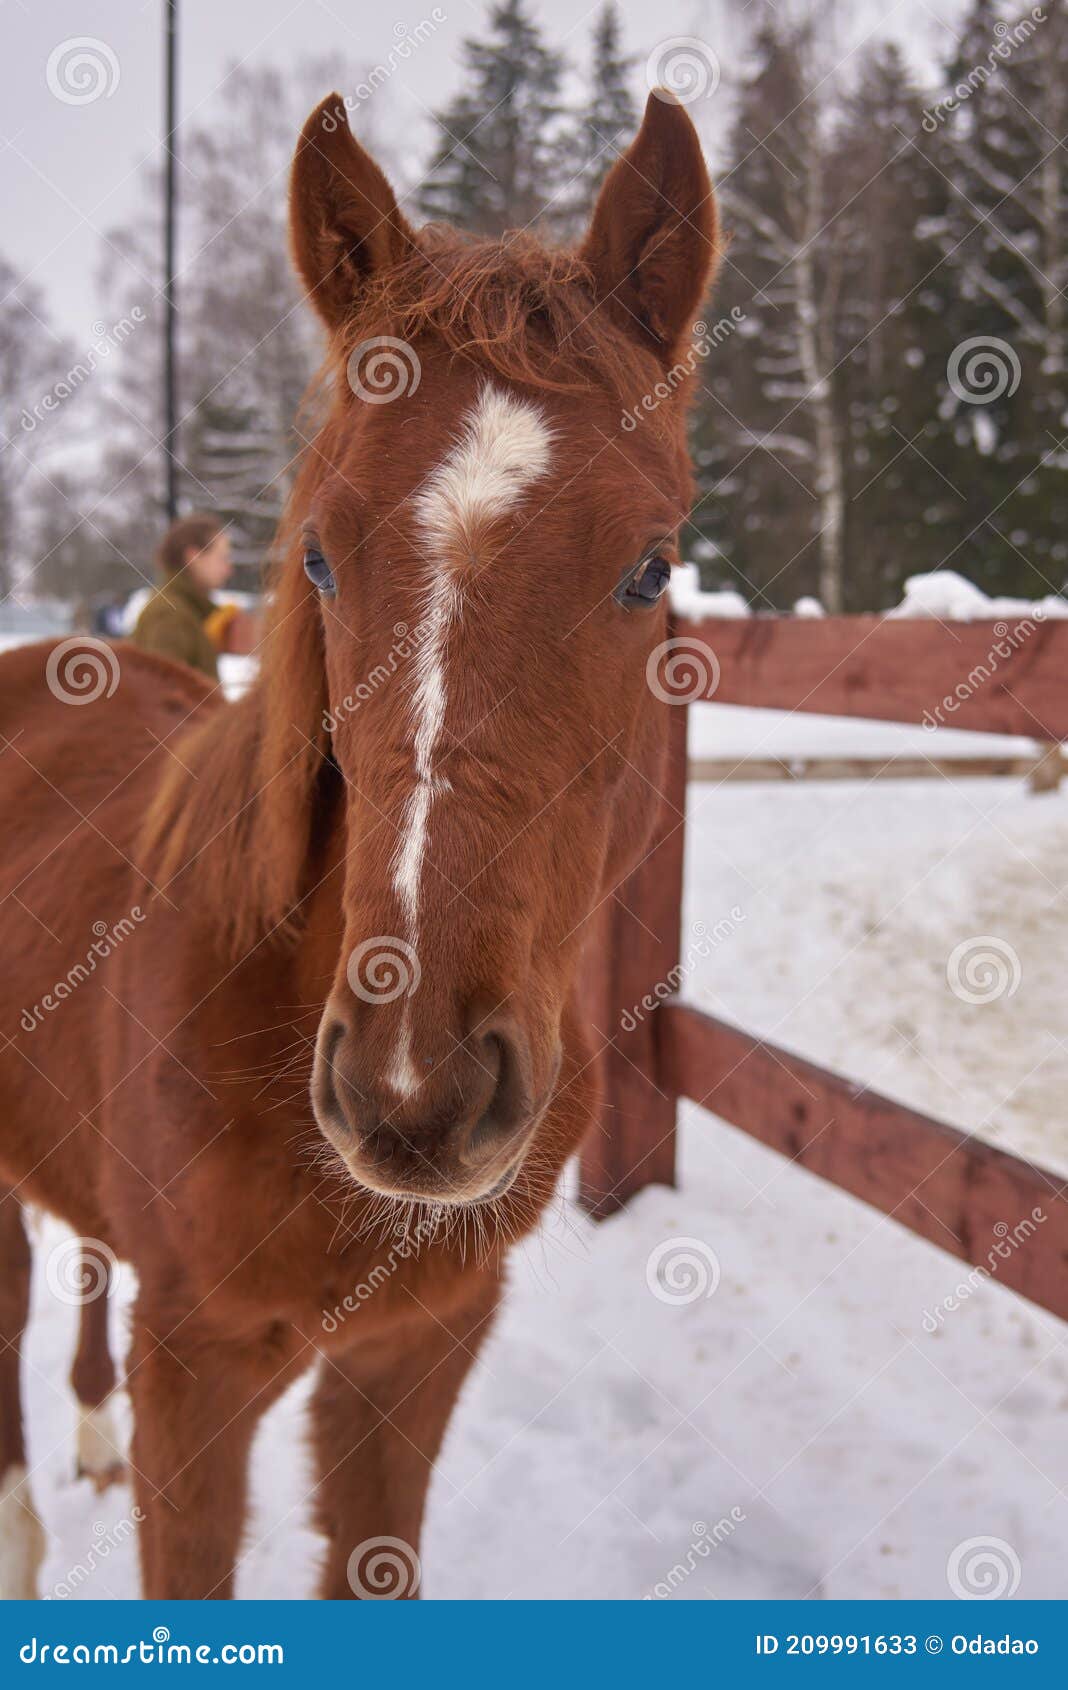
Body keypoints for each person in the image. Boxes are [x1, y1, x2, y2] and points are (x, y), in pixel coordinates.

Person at [131, 513, 238, 681]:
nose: (229, 569)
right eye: (222, 558)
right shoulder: (169, 615)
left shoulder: (189, 610)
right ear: (193, 556)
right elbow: (162, 697)